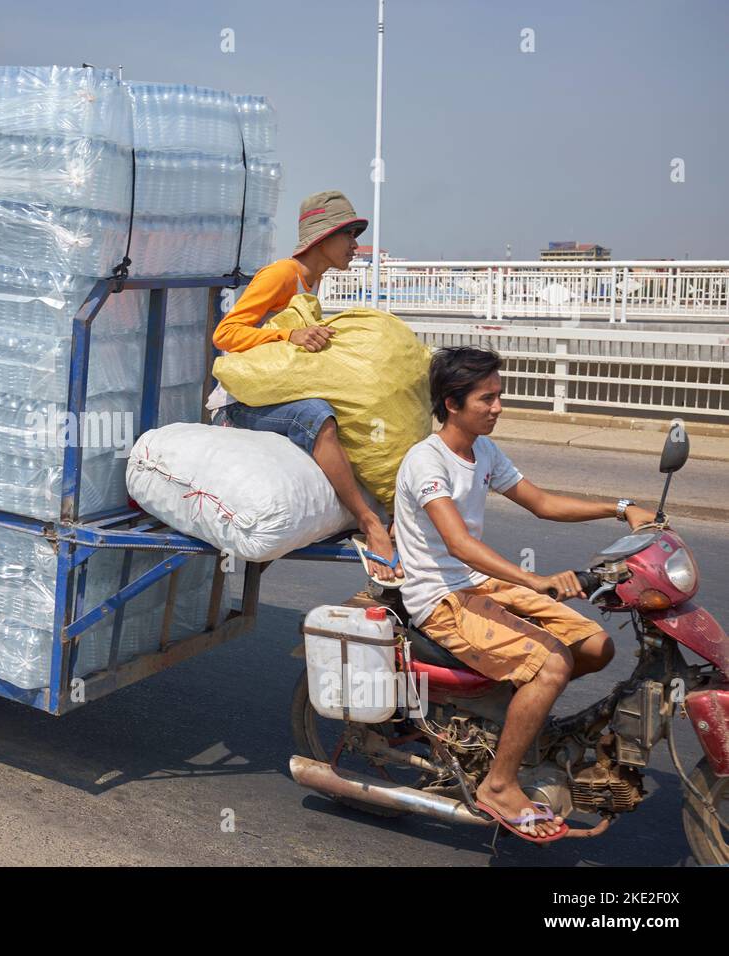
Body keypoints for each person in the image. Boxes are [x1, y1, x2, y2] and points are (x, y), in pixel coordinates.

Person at [392, 346, 657, 839]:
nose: (497, 408)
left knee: (597, 646)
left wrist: (621, 509)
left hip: (479, 585)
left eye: (499, 396)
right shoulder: (425, 461)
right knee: (551, 663)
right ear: (452, 403)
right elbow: (459, 543)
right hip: (441, 599)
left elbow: (541, 502)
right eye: (486, 399)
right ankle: (499, 783)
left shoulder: (484, 451)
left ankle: (514, 719)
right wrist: (534, 580)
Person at [207, 189, 399, 579]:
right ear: (321, 238)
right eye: (348, 235)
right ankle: (369, 523)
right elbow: (225, 334)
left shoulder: (311, 284)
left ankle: (394, 511)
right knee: (316, 415)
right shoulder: (282, 275)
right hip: (237, 406)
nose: (354, 245)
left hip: (271, 399)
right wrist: (287, 337)